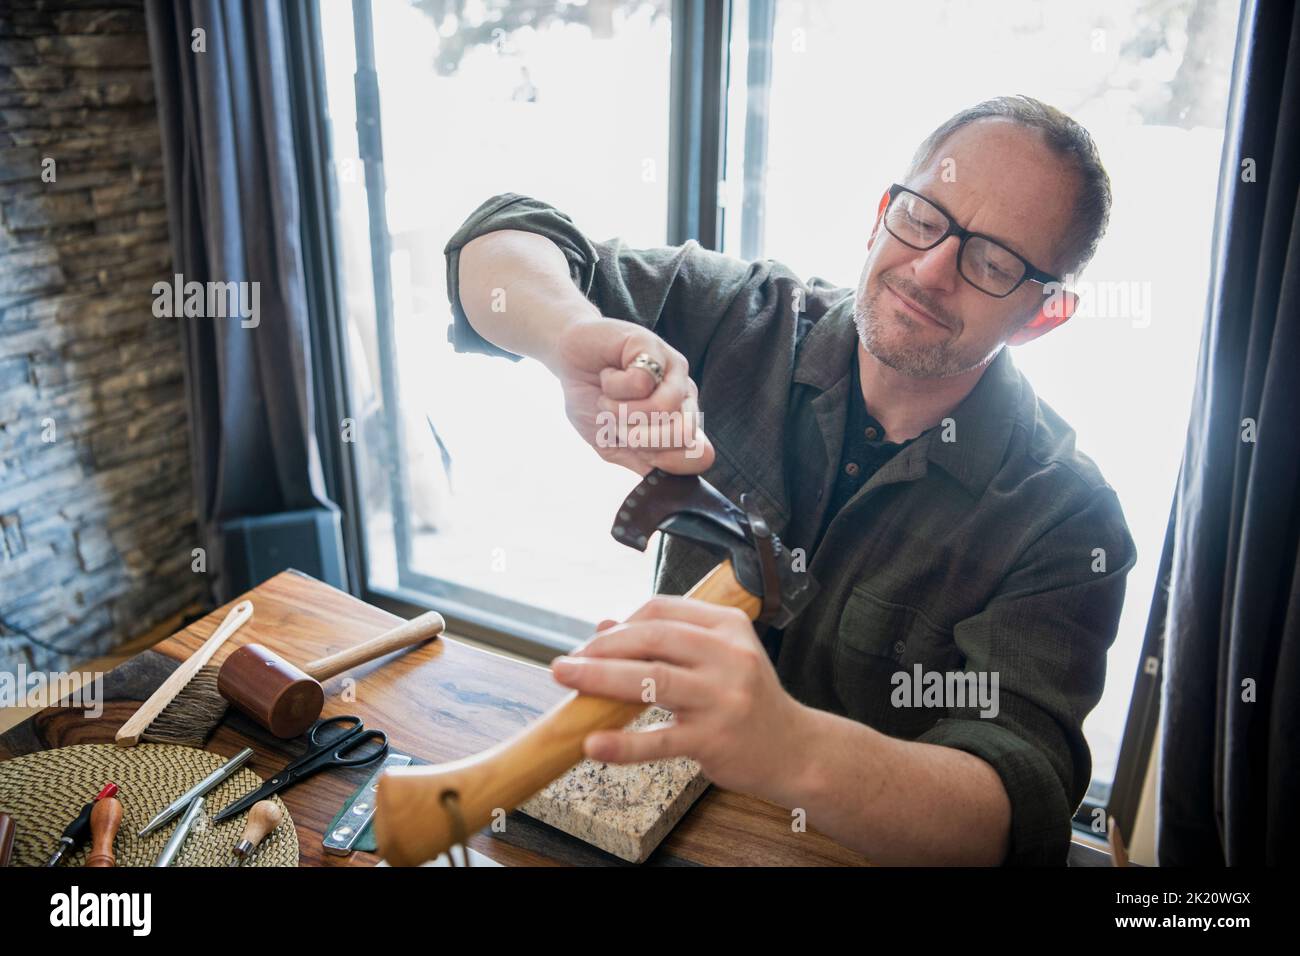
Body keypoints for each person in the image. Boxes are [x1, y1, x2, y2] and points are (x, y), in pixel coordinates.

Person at [446, 95, 1136, 865]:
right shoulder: (745, 316)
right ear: (881, 214)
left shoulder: (1068, 522)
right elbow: (500, 239)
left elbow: (1016, 812)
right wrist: (568, 334)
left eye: (994, 263)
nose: (931, 268)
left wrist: (791, 747)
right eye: (922, 217)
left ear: (1046, 314)